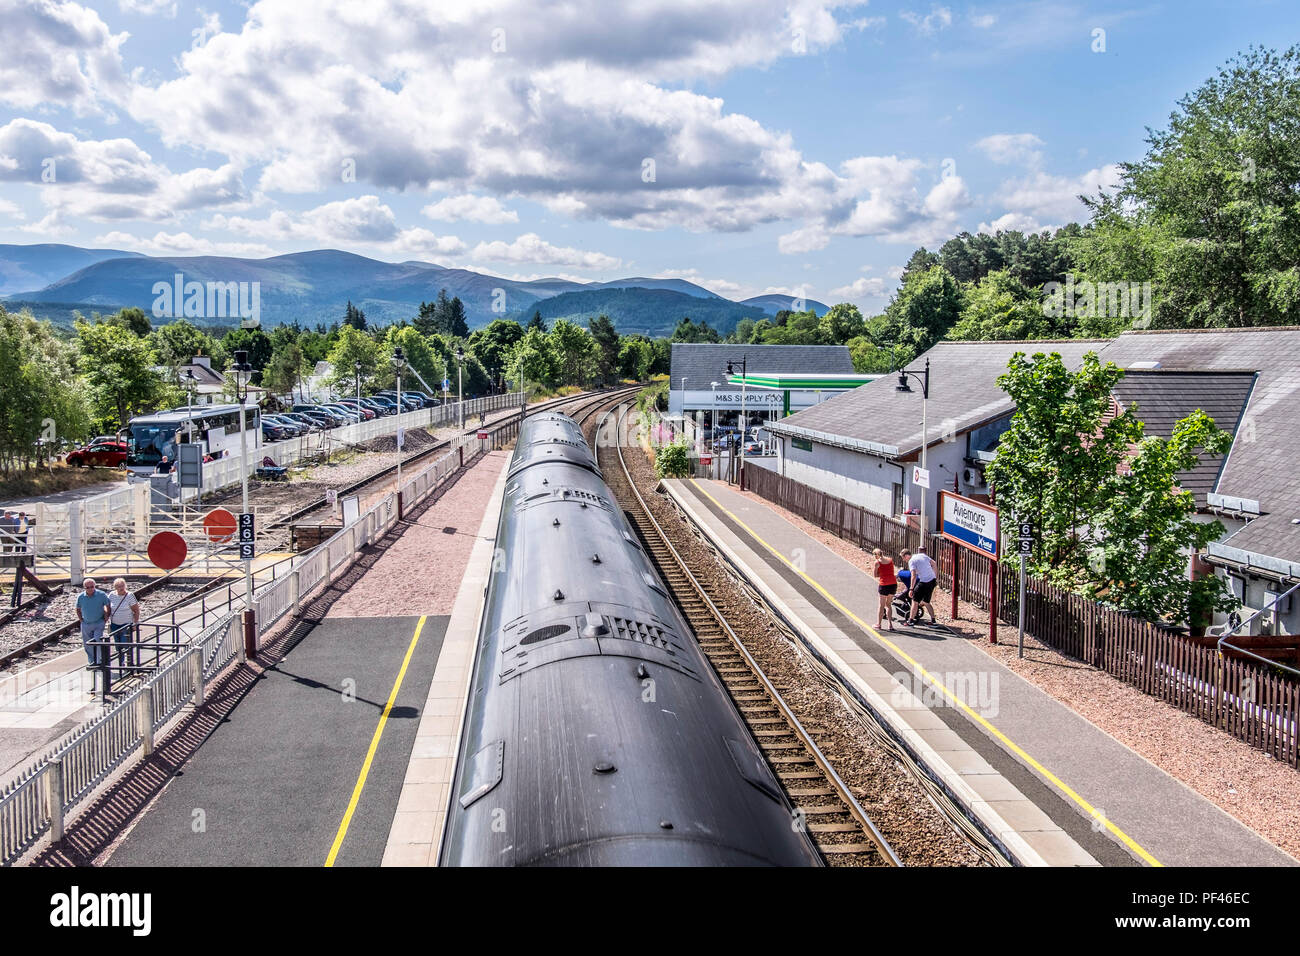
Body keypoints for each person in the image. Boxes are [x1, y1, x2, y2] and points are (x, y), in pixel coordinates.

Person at [75, 577, 113, 693]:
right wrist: (81, 619)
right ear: (84, 588)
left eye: (92, 587)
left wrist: (106, 616)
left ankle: (99, 660)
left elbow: (108, 605)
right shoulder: (81, 597)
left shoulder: (101, 595)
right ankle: (92, 661)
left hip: (98, 622)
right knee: (87, 644)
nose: (90, 589)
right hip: (86, 623)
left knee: (97, 641)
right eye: (88, 587)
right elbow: (78, 608)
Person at [108, 577, 141, 671]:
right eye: (118, 586)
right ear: (115, 587)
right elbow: (108, 607)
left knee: (125, 643)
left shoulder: (129, 595)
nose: (120, 588)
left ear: (125, 586)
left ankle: (130, 662)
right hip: (115, 624)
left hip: (126, 624)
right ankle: (121, 663)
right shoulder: (111, 595)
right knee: (118, 645)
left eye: (122, 586)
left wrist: (135, 623)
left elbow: (136, 610)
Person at [904, 545, 939, 626]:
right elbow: (934, 563)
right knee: (926, 602)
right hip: (932, 580)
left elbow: (913, 576)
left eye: (903, 558)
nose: (904, 560)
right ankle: (933, 621)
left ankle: (911, 620)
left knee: (914, 601)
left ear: (906, 556)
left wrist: (911, 589)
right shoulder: (922, 555)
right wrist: (935, 576)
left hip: (924, 582)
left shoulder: (911, 561)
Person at [870, 548, 898, 630]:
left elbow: (875, 575)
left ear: (876, 555)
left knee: (881, 605)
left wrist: (880, 573)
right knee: (888, 604)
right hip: (893, 583)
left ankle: (879, 624)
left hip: (884, 584)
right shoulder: (890, 560)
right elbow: (891, 571)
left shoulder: (877, 563)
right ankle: (890, 624)